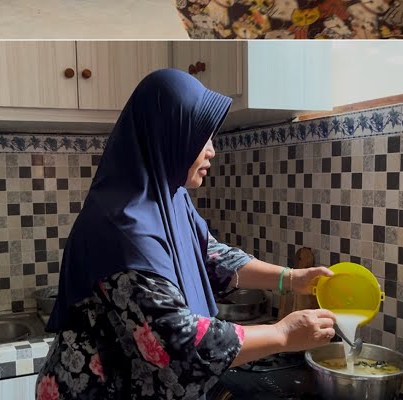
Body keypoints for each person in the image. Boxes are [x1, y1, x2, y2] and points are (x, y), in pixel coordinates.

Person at [36, 69, 337, 399]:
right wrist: (283, 334)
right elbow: (177, 341)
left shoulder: (169, 198)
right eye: (202, 136)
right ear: (170, 134)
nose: (212, 150)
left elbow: (209, 255)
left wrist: (293, 279)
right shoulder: (123, 227)